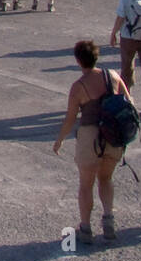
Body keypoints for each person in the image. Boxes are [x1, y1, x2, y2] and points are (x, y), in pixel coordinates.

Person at [53, 40, 132, 245]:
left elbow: (71, 118)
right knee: (106, 178)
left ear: (78, 61)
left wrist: (60, 140)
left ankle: (86, 228)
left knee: (85, 184)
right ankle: (108, 221)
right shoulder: (112, 75)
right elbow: (129, 102)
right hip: (113, 136)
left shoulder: (78, 86)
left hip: (90, 136)